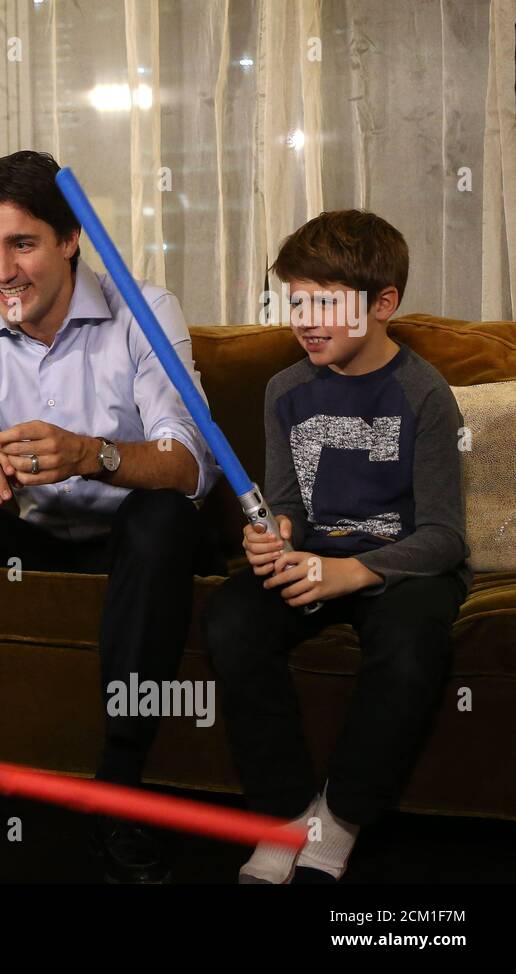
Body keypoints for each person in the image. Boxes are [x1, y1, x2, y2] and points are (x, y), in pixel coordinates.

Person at [0, 150, 221, 883]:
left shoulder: (143, 310)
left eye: (21, 244)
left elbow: (191, 463)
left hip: (128, 531)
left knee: (164, 516)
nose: (1, 270)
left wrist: (94, 454)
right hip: (24, 527)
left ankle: (119, 790)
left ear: (69, 239)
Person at [202, 210, 470, 884]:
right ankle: (286, 813)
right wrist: (275, 534)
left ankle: (342, 814)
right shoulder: (285, 390)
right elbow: (288, 504)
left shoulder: (425, 395)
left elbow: (444, 536)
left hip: (401, 567)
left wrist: (354, 572)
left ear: (383, 305)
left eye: (326, 301)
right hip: (314, 556)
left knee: (412, 646)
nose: (306, 317)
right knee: (231, 619)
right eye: (297, 300)